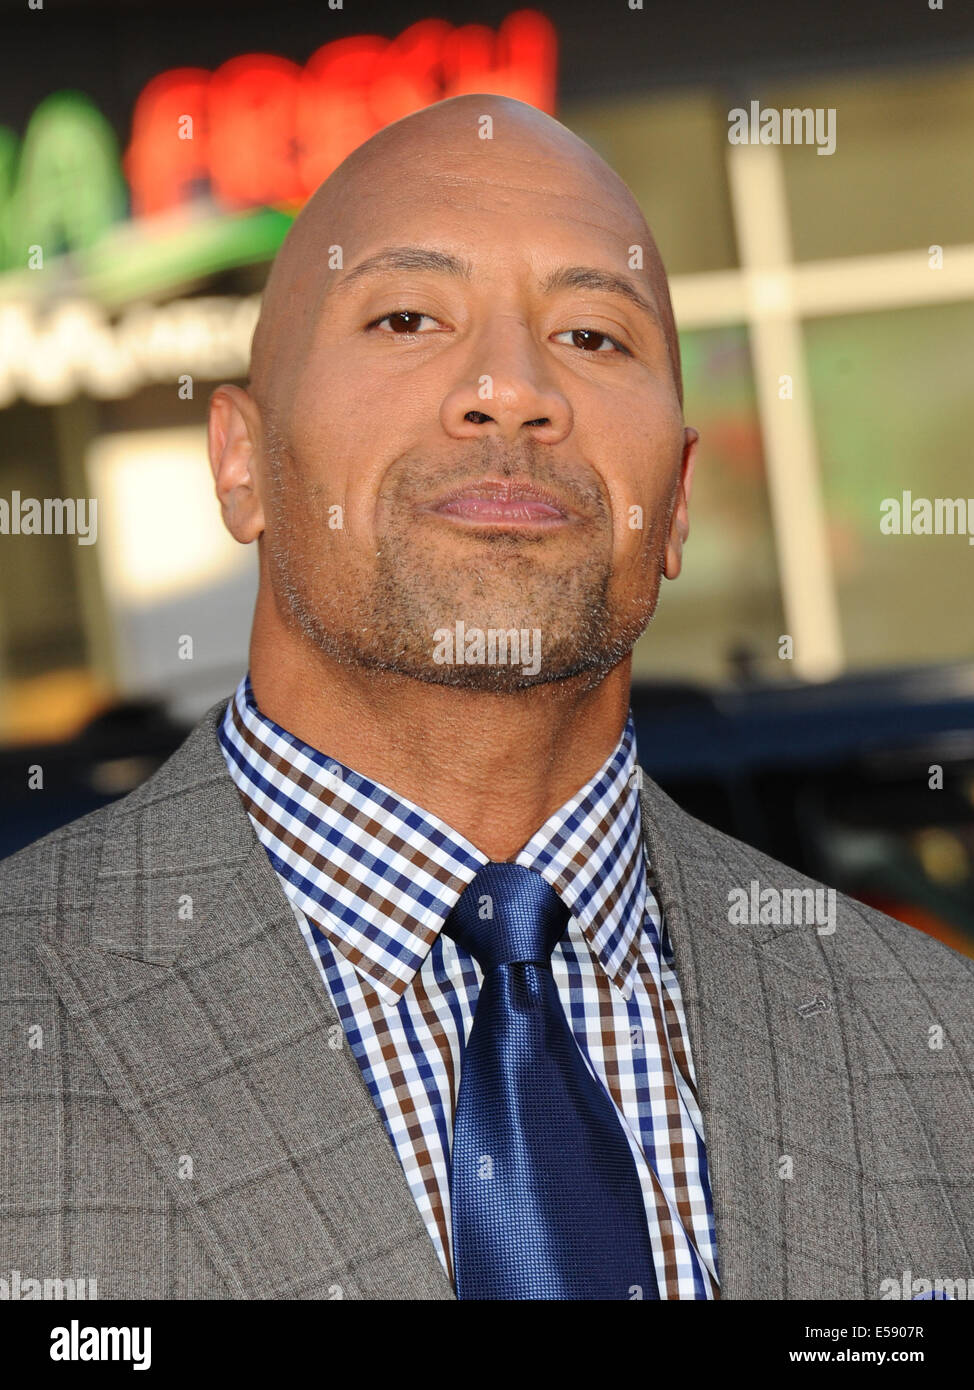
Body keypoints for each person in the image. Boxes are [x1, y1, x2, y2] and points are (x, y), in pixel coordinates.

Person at [2, 94, 971, 1302]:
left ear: (671, 503)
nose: (510, 390)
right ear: (240, 463)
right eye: (406, 316)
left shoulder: (936, 1051)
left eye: (591, 336)